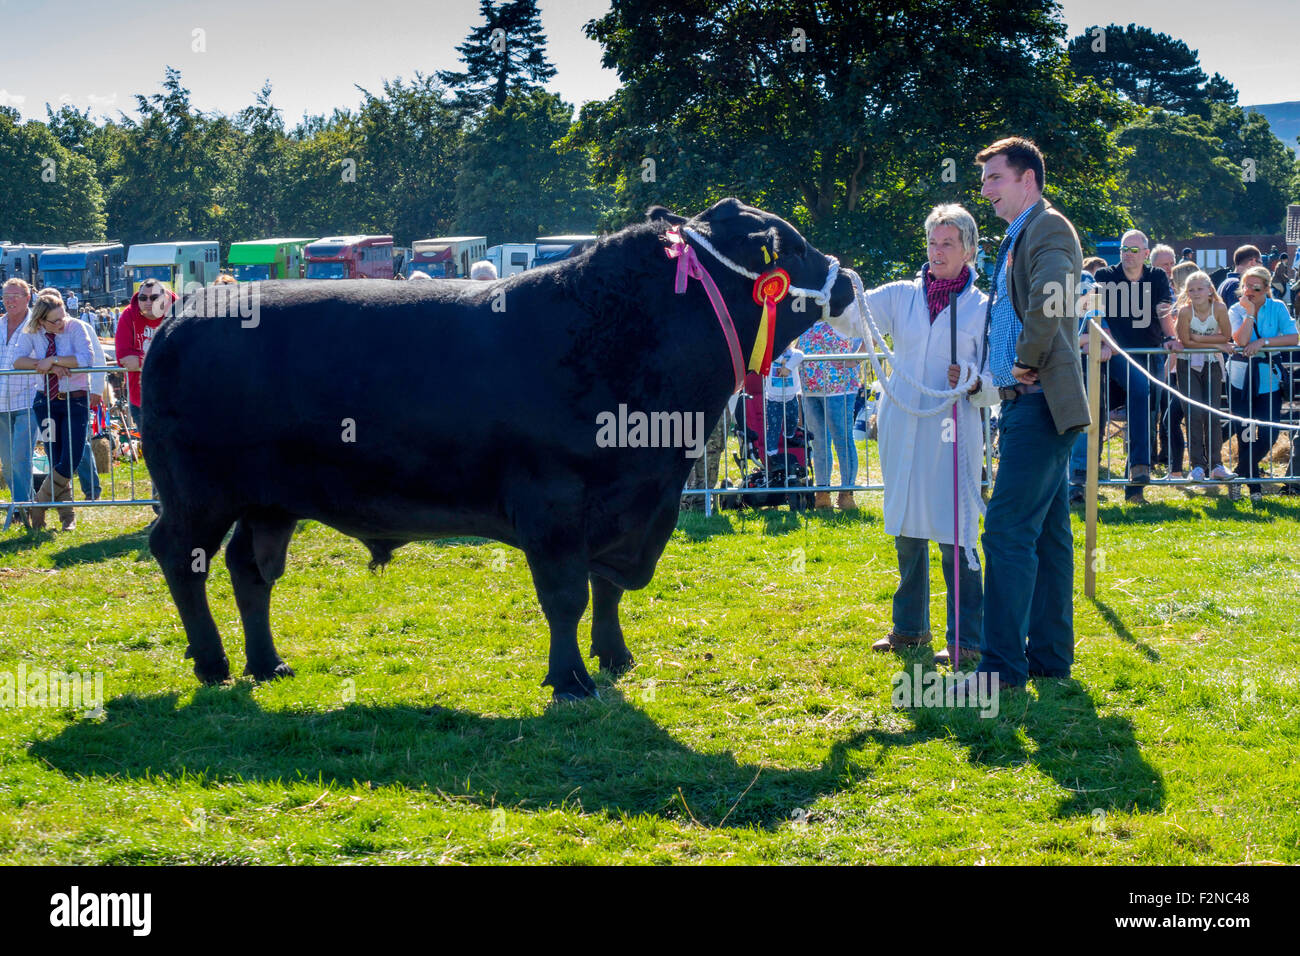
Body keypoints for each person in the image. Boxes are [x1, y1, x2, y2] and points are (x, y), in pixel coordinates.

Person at [964, 136, 1089, 694]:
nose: (985, 189)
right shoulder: (1027, 233)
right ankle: (1048, 660)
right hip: (1036, 404)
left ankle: (999, 672)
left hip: (1036, 401)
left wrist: (1022, 362)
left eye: (994, 177)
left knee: (1008, 531)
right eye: (986, 178)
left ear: (1027, 180)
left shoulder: (1049, 228)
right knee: (1047, 537)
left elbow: (1055, 297)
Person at [857, 203, 997, 670]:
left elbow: (1000, 373)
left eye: (947, 244)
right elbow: (854, 313)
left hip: (953, 428)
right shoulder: (901, 294)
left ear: (969, 249)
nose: (937, 252)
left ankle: (966, 639)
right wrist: (832, 282)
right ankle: (910, 630)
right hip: (902, 421)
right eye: (933, 243)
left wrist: (973, 378)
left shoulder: (984, 306)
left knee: (956, 531)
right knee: (906, 530)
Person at [1091, 230, 1176, 502]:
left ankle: (1135, 488)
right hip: (1114, 354)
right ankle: (1086, 481)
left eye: (1134, 249)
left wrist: (1172, 337)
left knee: (1148, 414)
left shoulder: (1158, 277)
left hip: (1150, 353)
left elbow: (1164, 311)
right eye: (1124, 249)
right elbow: (1093, 313)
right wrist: (1105, 341)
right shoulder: (1104, 276)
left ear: (1146, 254)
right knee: (1104, 411)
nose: (1128, 253)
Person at [10, 291, 95, 531]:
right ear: (40, 321)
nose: (60, 323)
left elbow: (85, 359)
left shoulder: (76, 327)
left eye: (62, 317)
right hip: (45, 402)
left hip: (75, 401)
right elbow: (17, 361)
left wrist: (55, 360)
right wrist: (45, 365)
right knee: (55, 458)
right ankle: (67, 518)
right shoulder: (32, 331)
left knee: (70, 458)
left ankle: (39, 504)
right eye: (54, 321)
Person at [1226, 266, 1299, 502]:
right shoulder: (1236, 309)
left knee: (1270, 432)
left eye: (1255, 287)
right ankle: (1254, 487)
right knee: (1245, 433)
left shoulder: (1277, 307)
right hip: (1240, 377)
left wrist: (1264, 342)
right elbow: (1241, 340)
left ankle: (1239, 474)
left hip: (1269, 378)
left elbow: (1293, 337)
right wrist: (1249, 314)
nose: (1250, 291)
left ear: (1267, 288)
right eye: (1246, 286)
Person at [115, 279, 177, 515]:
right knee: (155, 452)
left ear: (166, 297)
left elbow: (182, 356)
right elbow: (124, 358)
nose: (148, 302)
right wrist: (158, 361)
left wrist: (142, 361)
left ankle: (181, 507)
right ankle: (163, 509)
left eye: (154, 297)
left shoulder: (181, 312)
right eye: (143, 297)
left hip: (179, 397)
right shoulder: (128, 317)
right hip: (142, 399)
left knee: (179, 452)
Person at [1173, 272, 1235, 485]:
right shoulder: (1184, 312)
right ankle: (1197, 465)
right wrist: (1215, 343)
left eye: (1200, 289)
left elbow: (1227, 336)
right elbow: (1186, 342)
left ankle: (1216, 464)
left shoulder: (1219, 308)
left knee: (1212, 412)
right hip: (1187, 364)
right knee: (1194, 412)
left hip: (1212, 363)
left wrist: (1200, 338)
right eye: (1191, 290)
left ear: (1210, 289)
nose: (1195, 293)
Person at [797, 320, 862, 509]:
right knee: (818, 442)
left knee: (842, 440)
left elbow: (873, 333)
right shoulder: (808, 311)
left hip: (839, 388)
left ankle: (846, 493)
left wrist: (857, 359)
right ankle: (822, 492)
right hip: (810, 389)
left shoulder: (848, 311)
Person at [1067, 257, 1112, 504]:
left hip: (1085, 371)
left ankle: (1079, 482)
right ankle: (1068, 482)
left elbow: (1103, 332)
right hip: (1057, 372)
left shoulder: (1090, 291)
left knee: (1086, 425)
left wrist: (1099, 343)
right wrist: (1083, 341)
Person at [1, 278, 39, 526]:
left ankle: (21, 508)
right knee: (7, 462)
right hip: (1, 405)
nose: (10, 299)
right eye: (6, 295)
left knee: (20, 458)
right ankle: (27, 507)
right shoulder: (0, 324)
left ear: (28, 298)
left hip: (28, 400)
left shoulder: (37, 326)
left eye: (16, 295)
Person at [763, 340, 804, 461]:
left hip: (791, 397)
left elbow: (800, 355)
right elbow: (769, 355)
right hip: (773, 398)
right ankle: (771, 455)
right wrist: (782, 361)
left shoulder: (794, 353)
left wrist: (788, 367)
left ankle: (789, 436)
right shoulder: (771, 354)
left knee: (792, 420)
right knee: (773, 427)